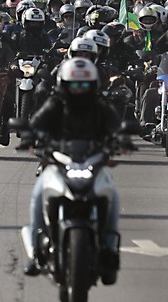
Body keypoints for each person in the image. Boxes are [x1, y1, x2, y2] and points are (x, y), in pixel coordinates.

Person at [21, 58, 126, 284]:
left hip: (93, 162)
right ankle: (35, 252)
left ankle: (109, 248)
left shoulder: (101, 107)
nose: (79, 90)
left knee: (112, 196)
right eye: (74, 85)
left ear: (93, 85)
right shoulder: (55, 104)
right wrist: (31, 139)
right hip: (59, 161)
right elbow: (36, 124)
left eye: (84, 85)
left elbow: (116, 128)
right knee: (38, 194)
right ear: (64, 84)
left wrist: (120, 142)